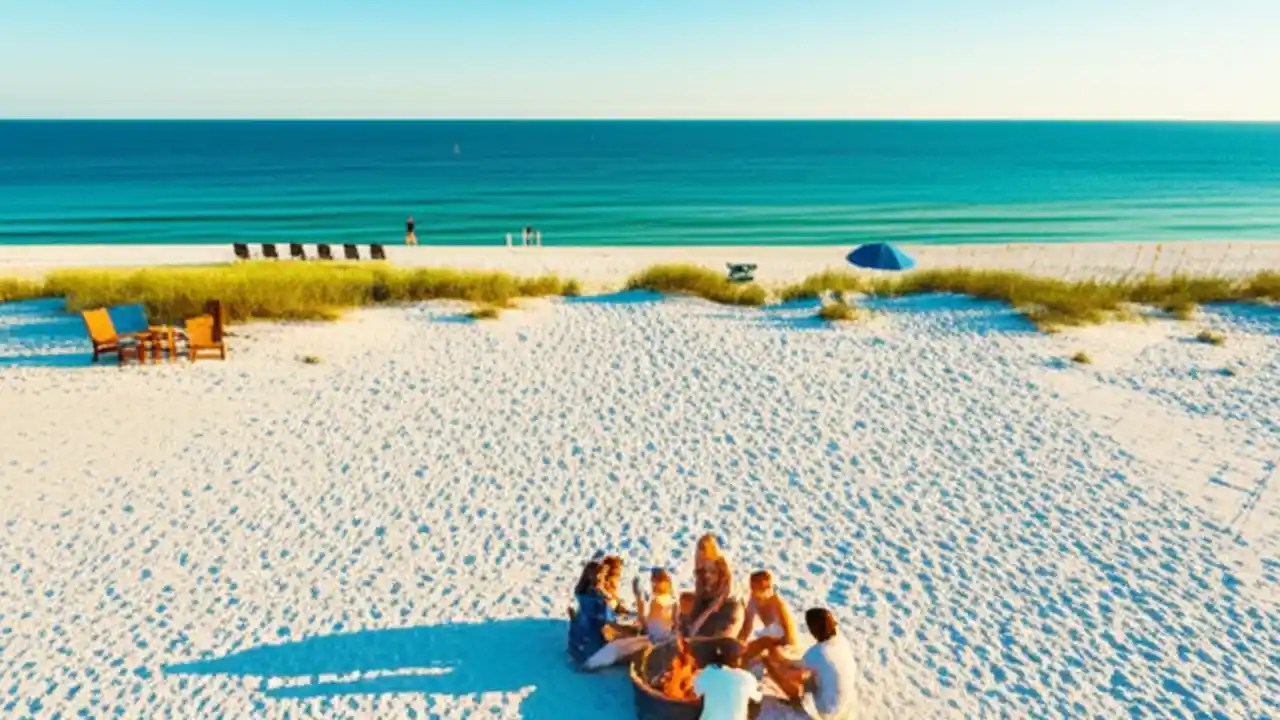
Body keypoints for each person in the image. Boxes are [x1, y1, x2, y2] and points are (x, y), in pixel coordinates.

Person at [763, 608, 856, 720]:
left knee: (798, 678)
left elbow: (789, 669)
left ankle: (795, 703)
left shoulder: (816, 653)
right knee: (820, 674)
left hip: (826, 713)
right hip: (846, 707)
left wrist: (768, 660)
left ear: (813, 631)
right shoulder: (842, 642)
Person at [583, 568, 678, 670]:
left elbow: (651, 625)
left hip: (660, 645)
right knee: (617, 645)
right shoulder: (660, 601)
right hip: (653, 640)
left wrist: (639, 599)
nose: (653, 585)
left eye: (655, 582)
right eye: (653, 582)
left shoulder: (667, 603)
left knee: (618, 647)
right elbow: (647, 625)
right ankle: (590, 664)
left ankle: (590, 664)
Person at [738, 570, 798, 664]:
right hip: (767, 642)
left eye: (755, 588)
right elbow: (747, 627)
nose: (752, 591)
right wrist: (739, 643)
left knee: (763, 643)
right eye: (752, 587)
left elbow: (790, 634)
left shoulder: (778, 604)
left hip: (783, 645)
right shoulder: (754, 599)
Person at [568, 561, 620, 667]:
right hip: (595, 642)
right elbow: (607, 621)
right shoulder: (601, 598)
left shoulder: (583, 593)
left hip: (581, 639)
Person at [688, 534, 741, 637]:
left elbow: (720, 599)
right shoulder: (702, 572)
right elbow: (699, 596)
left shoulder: (721, 568)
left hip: (725, 606)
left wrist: (695, 627)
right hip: (710, 601)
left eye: (702, 554)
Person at [693, 641, 761, 720]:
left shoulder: (708, 672)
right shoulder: (747, 676)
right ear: (738, 659)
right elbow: (757, 698)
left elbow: (694, 694)